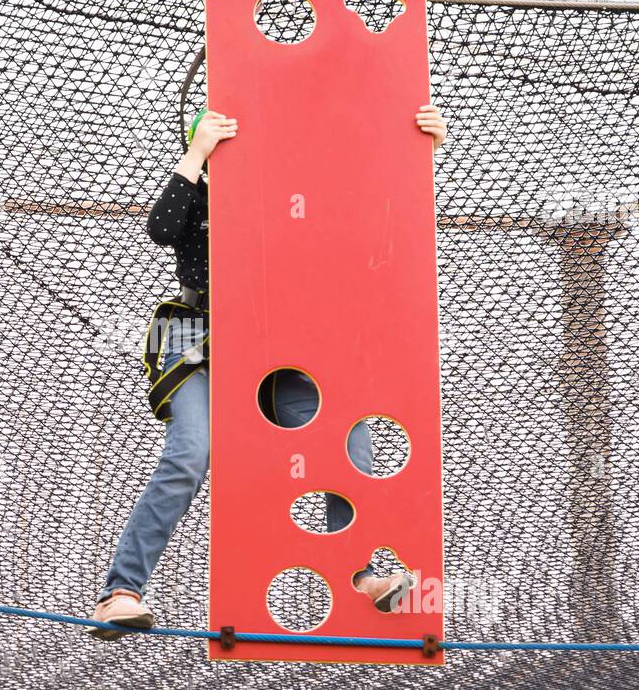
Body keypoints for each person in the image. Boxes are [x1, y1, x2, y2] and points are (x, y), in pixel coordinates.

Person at [89, 104, 449, 639]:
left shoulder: (299, 202)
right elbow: (161, 228)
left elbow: (380, 219)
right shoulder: (201, 199)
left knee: (348, 442)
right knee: (189, 454)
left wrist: (420, 156)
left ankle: (365, 571)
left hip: (283, 348)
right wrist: (198, 152)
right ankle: (122, 591)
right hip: (199, 339)